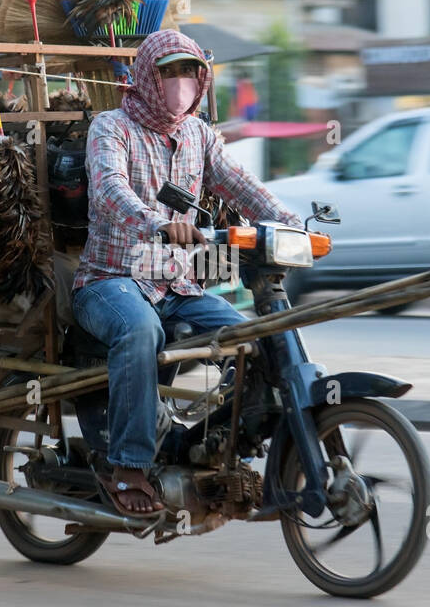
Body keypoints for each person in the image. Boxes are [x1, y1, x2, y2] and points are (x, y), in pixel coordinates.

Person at [71, 30, 303, 517]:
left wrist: (292, 225)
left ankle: (209, 444)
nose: (179, 82)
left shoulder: (198, 134)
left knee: (255, 336)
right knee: (140, 330)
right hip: (110, 281)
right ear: (147, 77)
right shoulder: (111, 128)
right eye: (168, 71)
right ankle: (129, 465)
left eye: (188, 71)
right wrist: (159, 223)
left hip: (178, 285)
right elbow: (111, 191)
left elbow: (243, 186)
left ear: (202, 79)